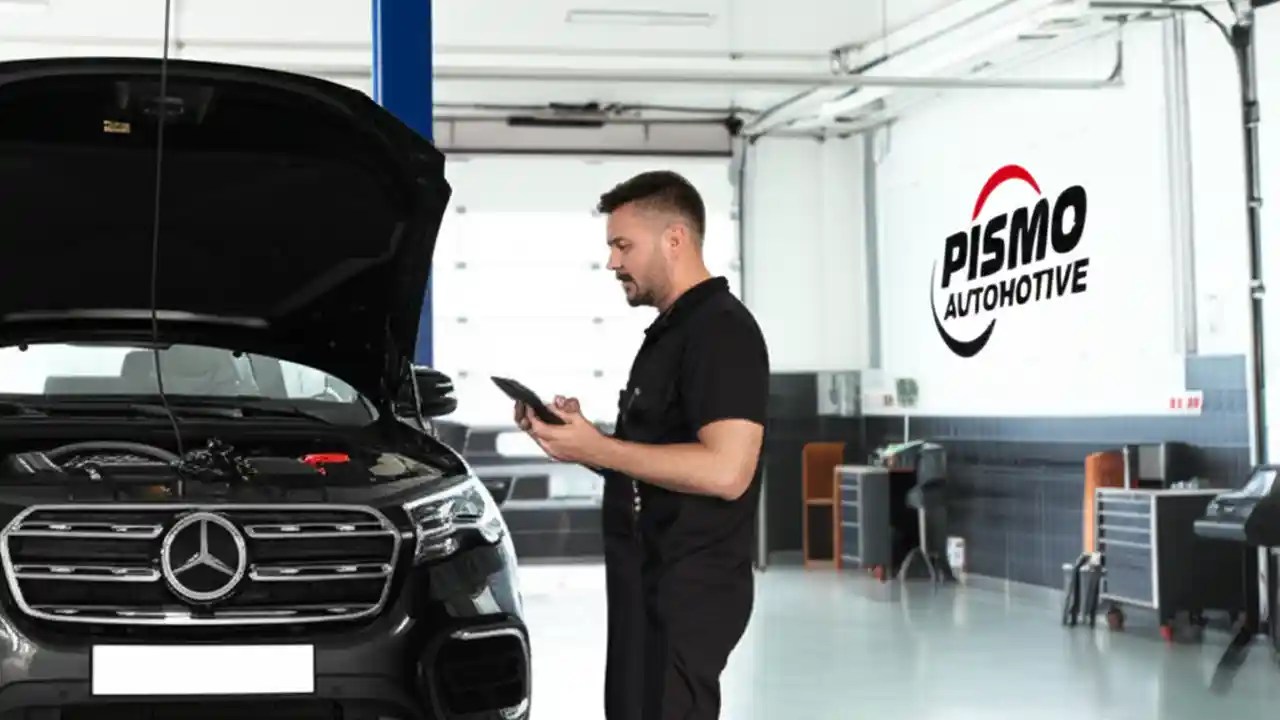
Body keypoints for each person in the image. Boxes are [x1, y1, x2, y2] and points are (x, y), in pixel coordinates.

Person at [513, 170, 770, 720]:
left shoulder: (722, 331)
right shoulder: (669, 334)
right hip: (644, 578)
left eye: (623, 245)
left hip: (687, 589)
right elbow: (651, 463)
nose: (612, 262)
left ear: (674, 239)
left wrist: (600, 450)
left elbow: (727, 470)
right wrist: (580, 442)